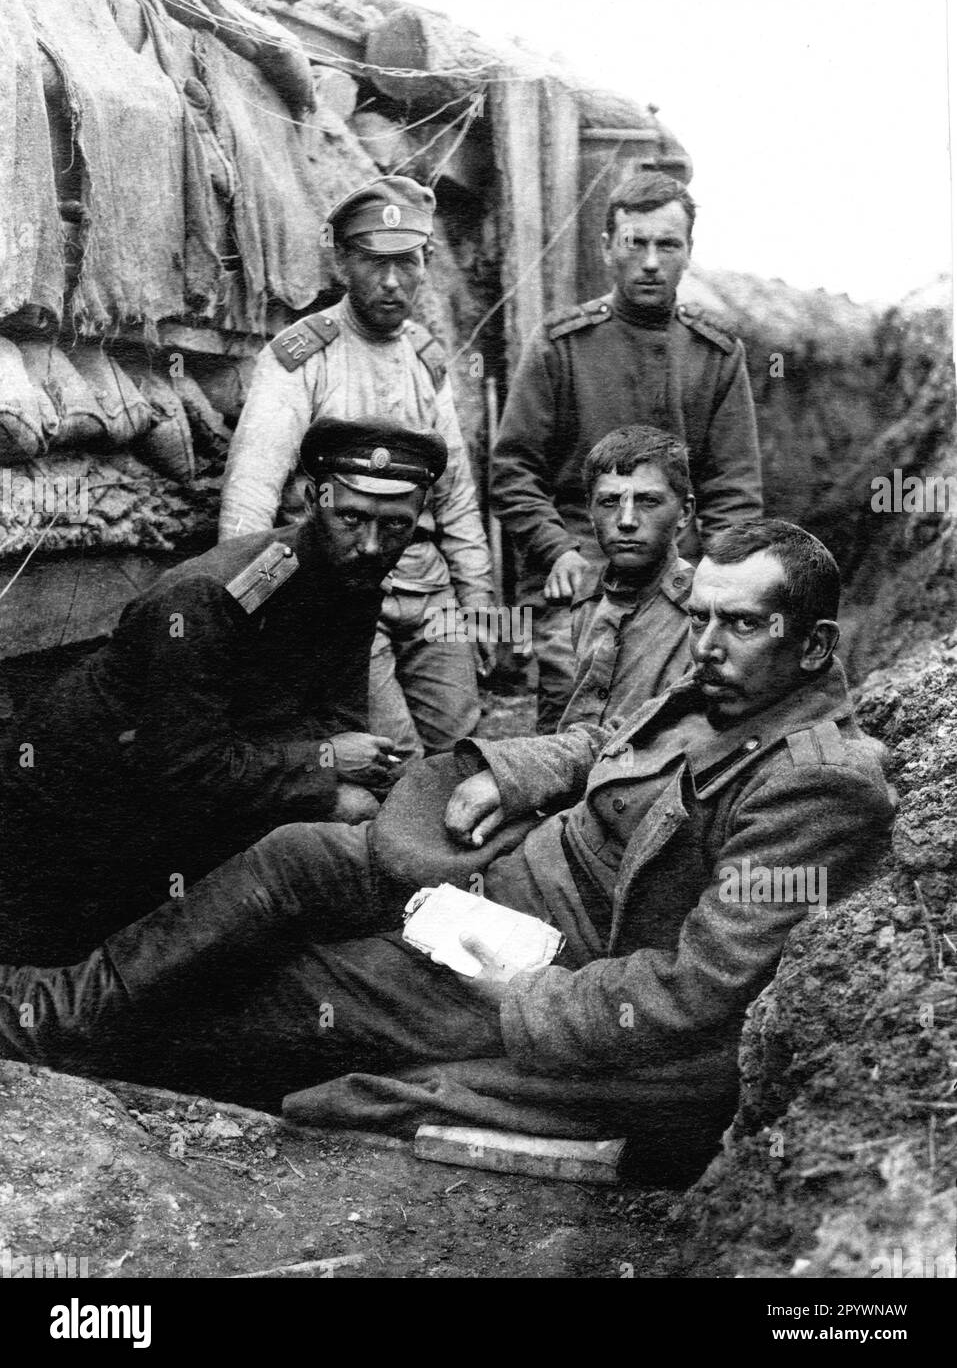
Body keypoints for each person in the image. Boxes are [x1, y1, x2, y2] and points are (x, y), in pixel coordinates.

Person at [0, 522, 896, 1158]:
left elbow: (695, 990)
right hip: (490, 876)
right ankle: (62, 1005)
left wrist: (529, 992)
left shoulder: (816, 784)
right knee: (298, 855)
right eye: (697, 615)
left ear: (812, 646)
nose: (704, 645)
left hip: (525, 960)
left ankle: (78, 1034)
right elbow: (603, 741)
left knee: (289, 990)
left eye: (739, 623)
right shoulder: (727, 685)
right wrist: (511, 773)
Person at [0, 416, 446, 962]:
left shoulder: (352, 577)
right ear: (313, 501)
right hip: (74, 818)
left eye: (396, 525)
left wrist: (354, 765)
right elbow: (182, 768)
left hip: (189, 784)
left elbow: (335, 712)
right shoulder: (212, 598)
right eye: (351, 517)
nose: (372, 544)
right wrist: (326, 762)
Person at [217, 175, 494, 759]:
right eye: (373, 262)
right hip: (336, 592)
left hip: (427, 587)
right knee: (392, 760)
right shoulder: (300, 356)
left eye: (408, 263)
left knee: (466, 750)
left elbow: (457, 496)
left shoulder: (425, 359)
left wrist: (479, 606)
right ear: (342, 260)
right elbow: (251, 495)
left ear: (426, 262)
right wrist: (248, 615)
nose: (392, 282)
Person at [492, 169, 763, 731]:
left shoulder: (715, 354)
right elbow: (513, 471)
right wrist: (556, 550)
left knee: (684, 710)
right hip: (579, 555)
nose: (650, 262)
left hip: (677, 560)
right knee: (575, 711)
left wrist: (717, 572)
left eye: (667, 245)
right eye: (635, 243)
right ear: (607, 248)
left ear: (689, 251)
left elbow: (733, 487)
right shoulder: (561, 345)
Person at [559, 423, 695, 731]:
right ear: (590, 512)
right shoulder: (587, 606)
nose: (627, 521)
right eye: (609, 502)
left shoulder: (703, 613)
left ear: (685, 512)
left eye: (648, 501)